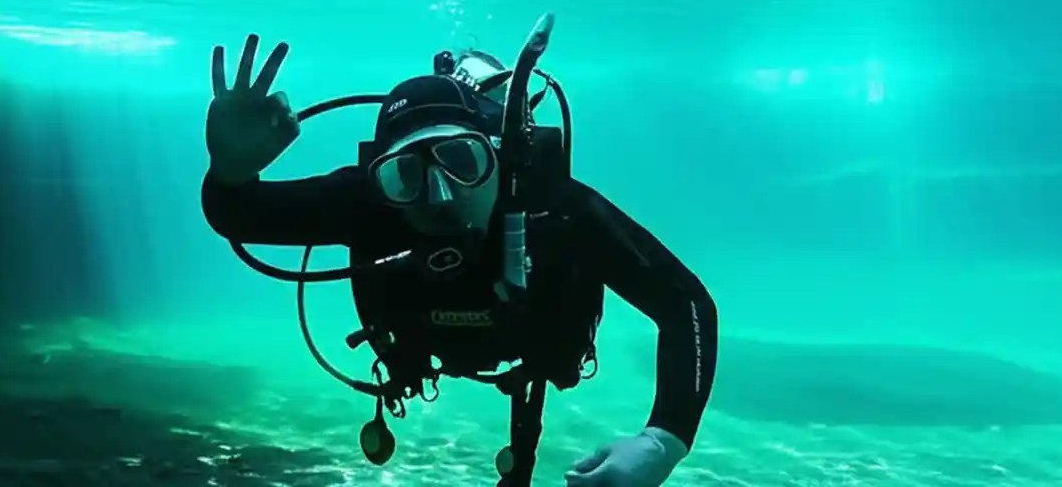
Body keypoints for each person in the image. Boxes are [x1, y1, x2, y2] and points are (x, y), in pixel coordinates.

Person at [200, 31, 719, 487]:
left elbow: (685, 302)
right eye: (405, 174)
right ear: (380, 178)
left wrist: (663, 440)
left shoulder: (552, 209)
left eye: (461, 160)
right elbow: (239, 216)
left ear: (498, 155)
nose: (441, 195)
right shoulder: (368, 205)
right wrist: (230, 172)